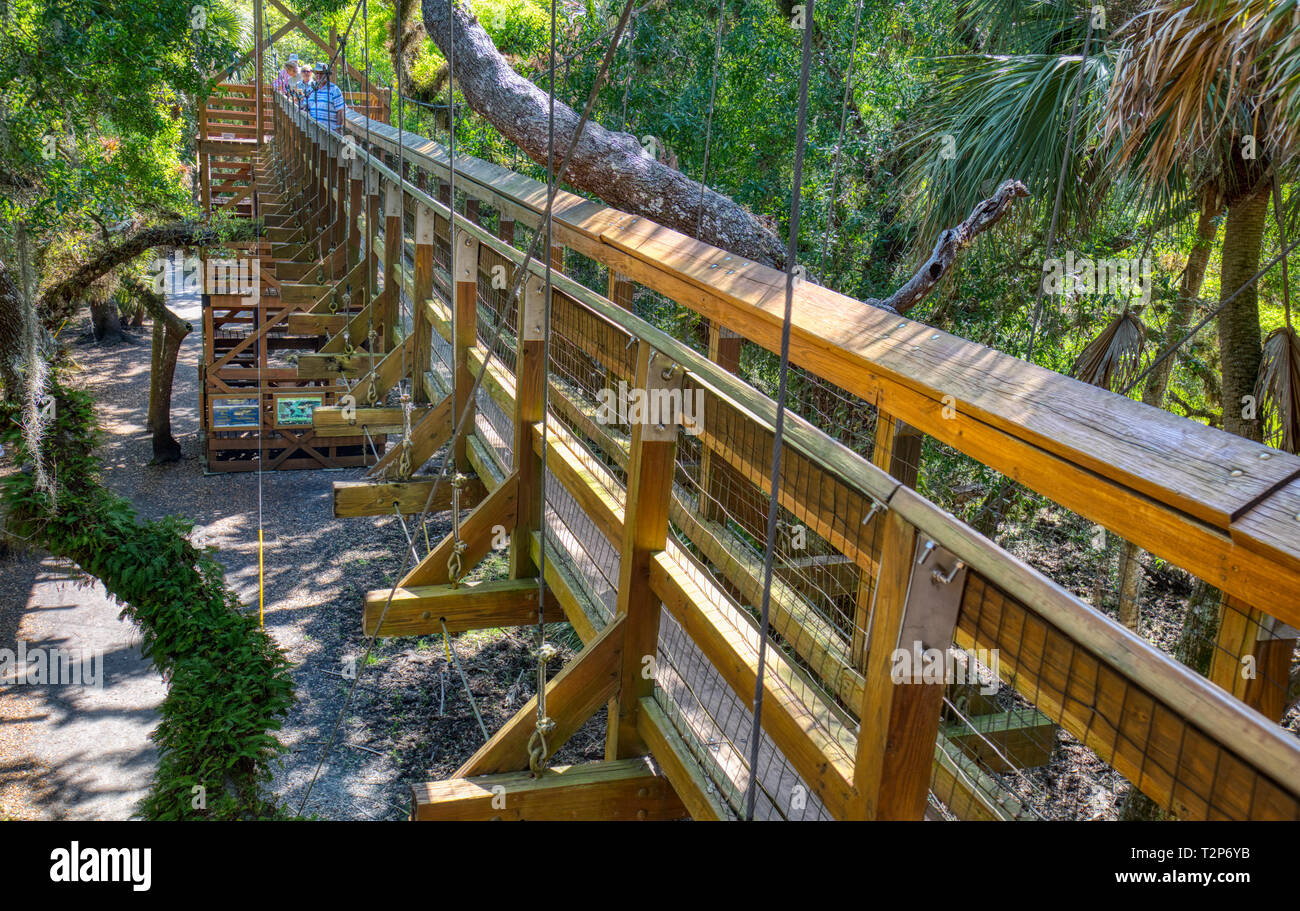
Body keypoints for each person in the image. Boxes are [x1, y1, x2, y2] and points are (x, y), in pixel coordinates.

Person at [304, 62, 346, 130]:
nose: (319, 75)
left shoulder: (334, 90)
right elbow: (306, 106)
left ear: (327, 75)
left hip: (329, 132)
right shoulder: (310, 89)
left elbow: (340, 111)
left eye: (321, 73)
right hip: (313, 129)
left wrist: (339, 129)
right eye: (317, 73)